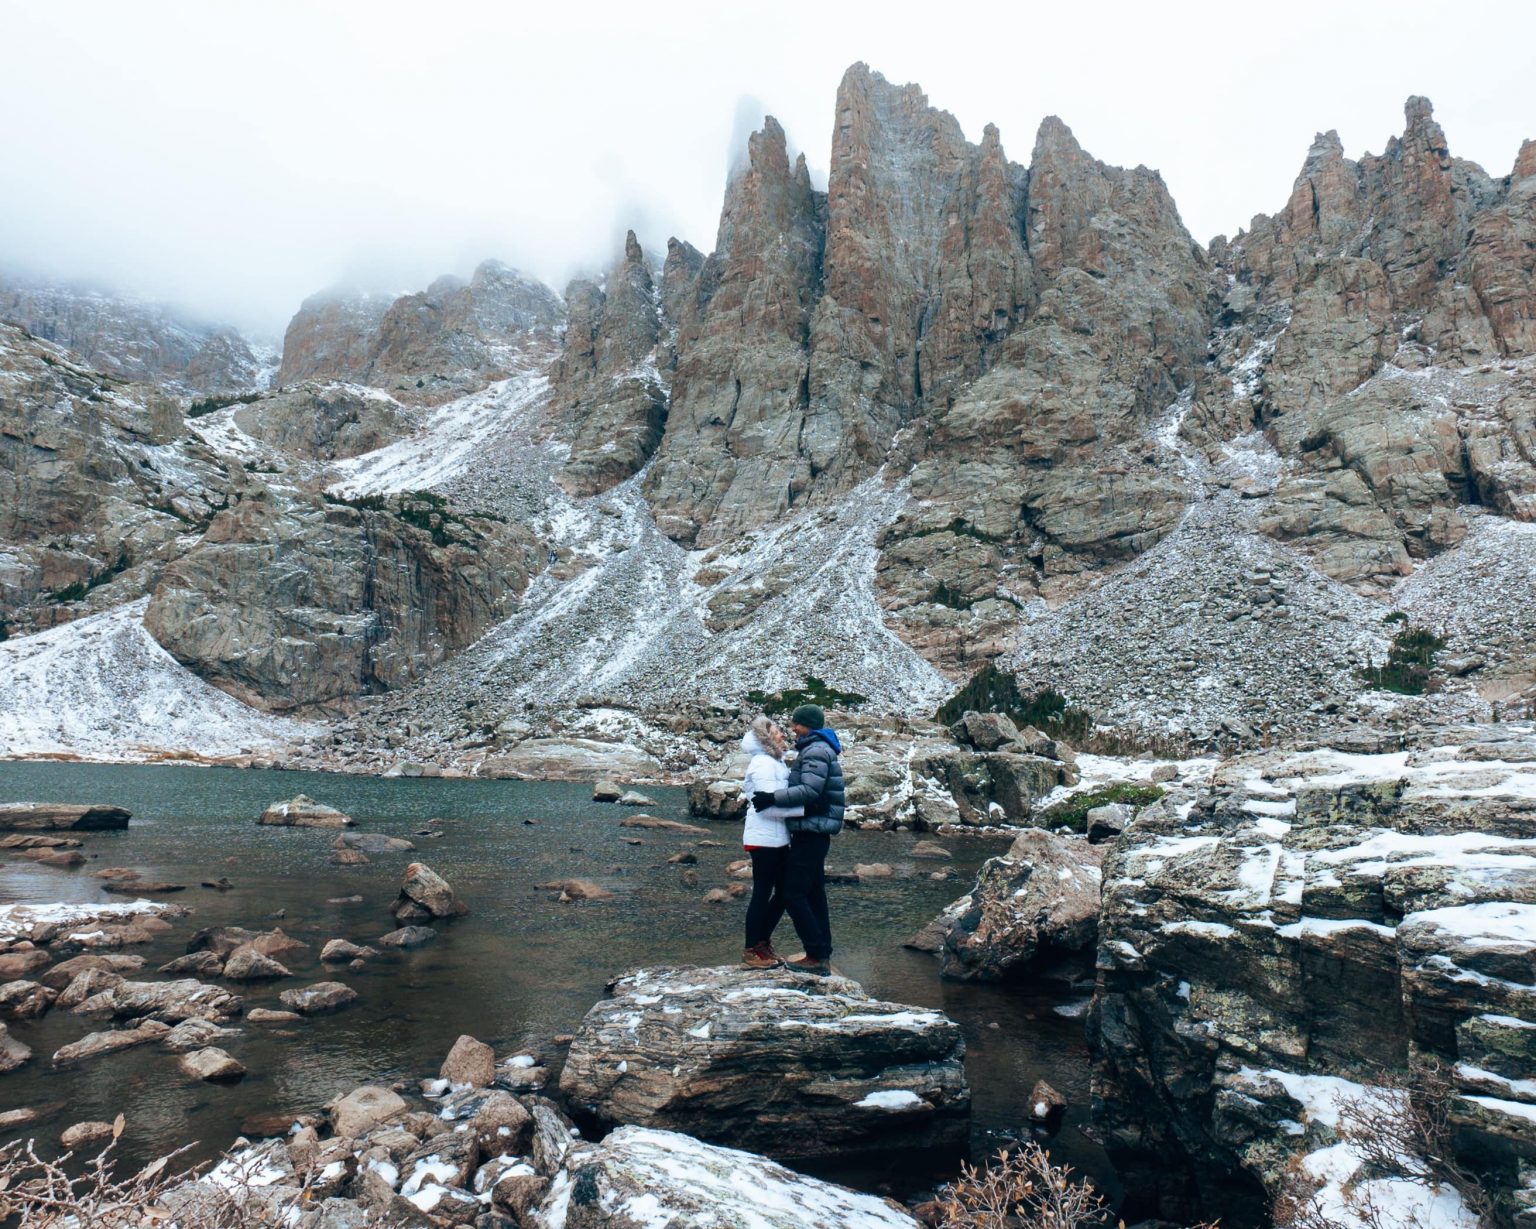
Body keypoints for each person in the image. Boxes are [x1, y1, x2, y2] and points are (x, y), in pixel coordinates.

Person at [751, 703, 844, 976]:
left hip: (810, 832)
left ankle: (815, 955)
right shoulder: (819, 748)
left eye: (797, 724)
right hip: (814, 831)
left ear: (809, 725)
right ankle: (822, 953)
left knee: (792, 893)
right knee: (814, 894)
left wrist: (772, 798)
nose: (793, 729)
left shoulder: (815, 750)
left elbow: (809, 790)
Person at [739, 716, 801, 969]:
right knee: (763, 893)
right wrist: (804, 811)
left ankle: (761, 942)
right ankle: (752, 949)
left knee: (784, 892)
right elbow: (768, 805)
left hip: (775, 837)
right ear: (766, 739)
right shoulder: (764, 764)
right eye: (777, 732)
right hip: (763, 838)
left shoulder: (775, 761)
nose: (783, 735)